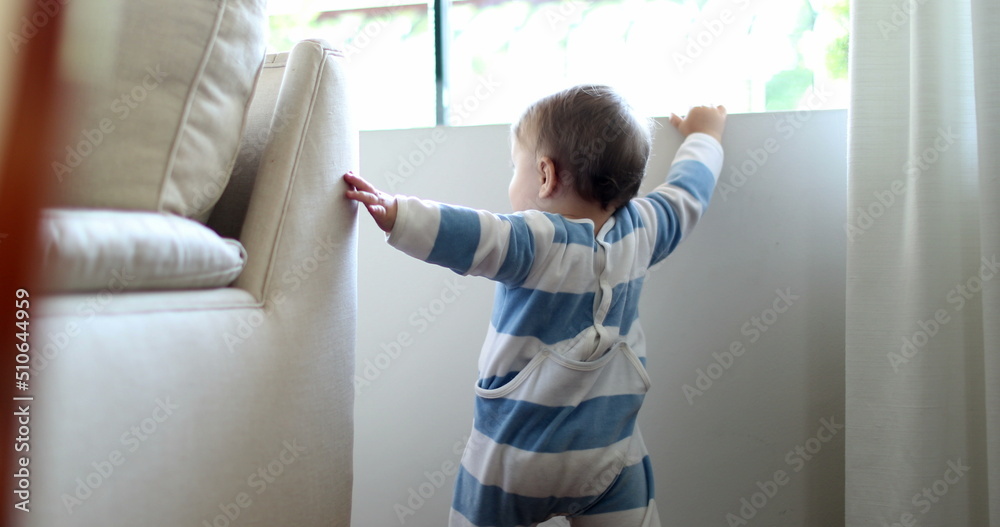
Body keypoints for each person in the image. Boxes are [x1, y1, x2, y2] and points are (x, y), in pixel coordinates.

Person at [345, 85, 726, 527]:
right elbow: (686, 196)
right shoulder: (643, 231)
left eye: (516, 167)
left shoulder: (536, 240)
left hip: (512, 460)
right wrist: (706, 136)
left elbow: (474, 234)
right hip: (608, 457)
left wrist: (396, 212)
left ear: (544, 175)